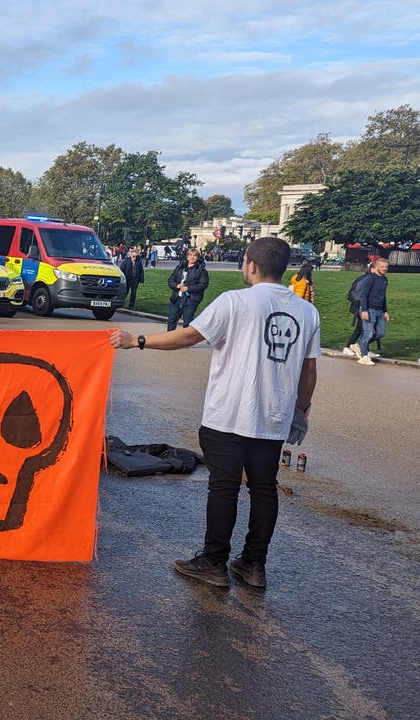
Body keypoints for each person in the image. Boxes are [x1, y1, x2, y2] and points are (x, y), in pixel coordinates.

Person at [109, 236, 319, 589]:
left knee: (224, 487)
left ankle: (214, 561)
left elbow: (189, 336)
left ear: (251, 264)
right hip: (274, 415)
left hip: (230, 413)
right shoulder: (307, 311)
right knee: (264, 488)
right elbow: (309, 370)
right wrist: (301, 409)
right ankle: (254, 564)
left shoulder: (234, 301)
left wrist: (137, 341)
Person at [350, 258, 389, 366]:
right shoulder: (369, 279)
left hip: (379, 310)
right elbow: (363, 296)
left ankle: (358, 345)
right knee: (368, 333)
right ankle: (364, 356)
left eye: (386, 267)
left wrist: (385, 311)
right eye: (382, 267)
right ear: (376, 267)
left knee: (381, 333)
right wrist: (364, 310)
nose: (385, 269)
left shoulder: (384, 279)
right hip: (369, 309)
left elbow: (383, 296)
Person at [166, 247, 208, 330]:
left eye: (195, 256)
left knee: (187, 323)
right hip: (176, 298)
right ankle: (170, 338)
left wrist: (188, 288)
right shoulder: (180, 267)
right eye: (190, 255)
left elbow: (203, 285)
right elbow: (171, 280)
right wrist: (176, 285)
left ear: (198, 257)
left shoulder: (201, 270)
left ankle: (186, 338)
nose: (192, 257)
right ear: (187, 256)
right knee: (171, 321)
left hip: (190, 299)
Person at [343, 266, 373, 358]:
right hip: (360, 306)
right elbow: (358, 294)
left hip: (363, 306)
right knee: (363, 329)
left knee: (361, 329)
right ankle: (361, 349)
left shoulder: (368, 279)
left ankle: (358, 348)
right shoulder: (365, 280)